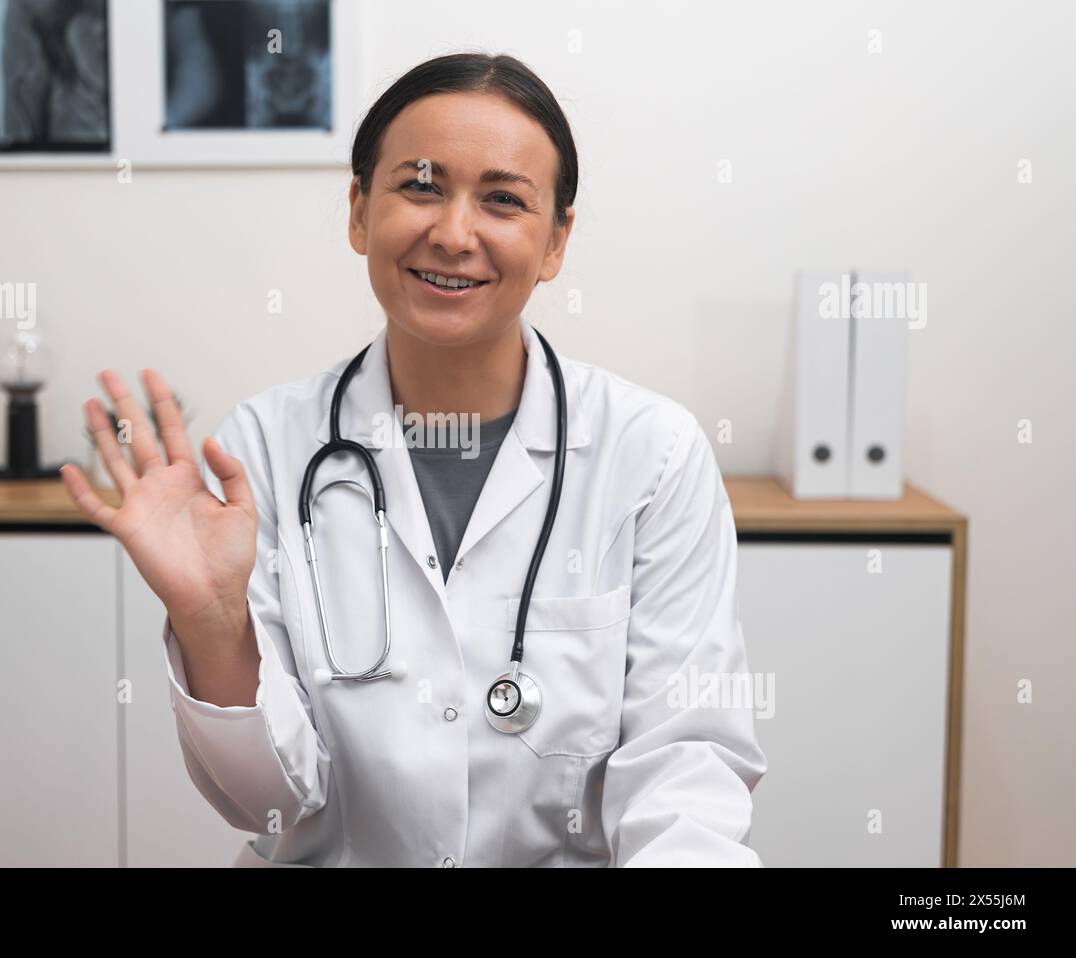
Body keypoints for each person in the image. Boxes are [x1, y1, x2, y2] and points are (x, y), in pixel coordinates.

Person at [61, 52, 767, 867]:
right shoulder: (261, 450)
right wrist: (213, 626)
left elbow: (685, 772)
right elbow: (263, 802)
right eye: (421, 186)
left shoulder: (652, 455)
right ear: (359, 210)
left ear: (555, 241)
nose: (454, 232)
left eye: (502, 200)